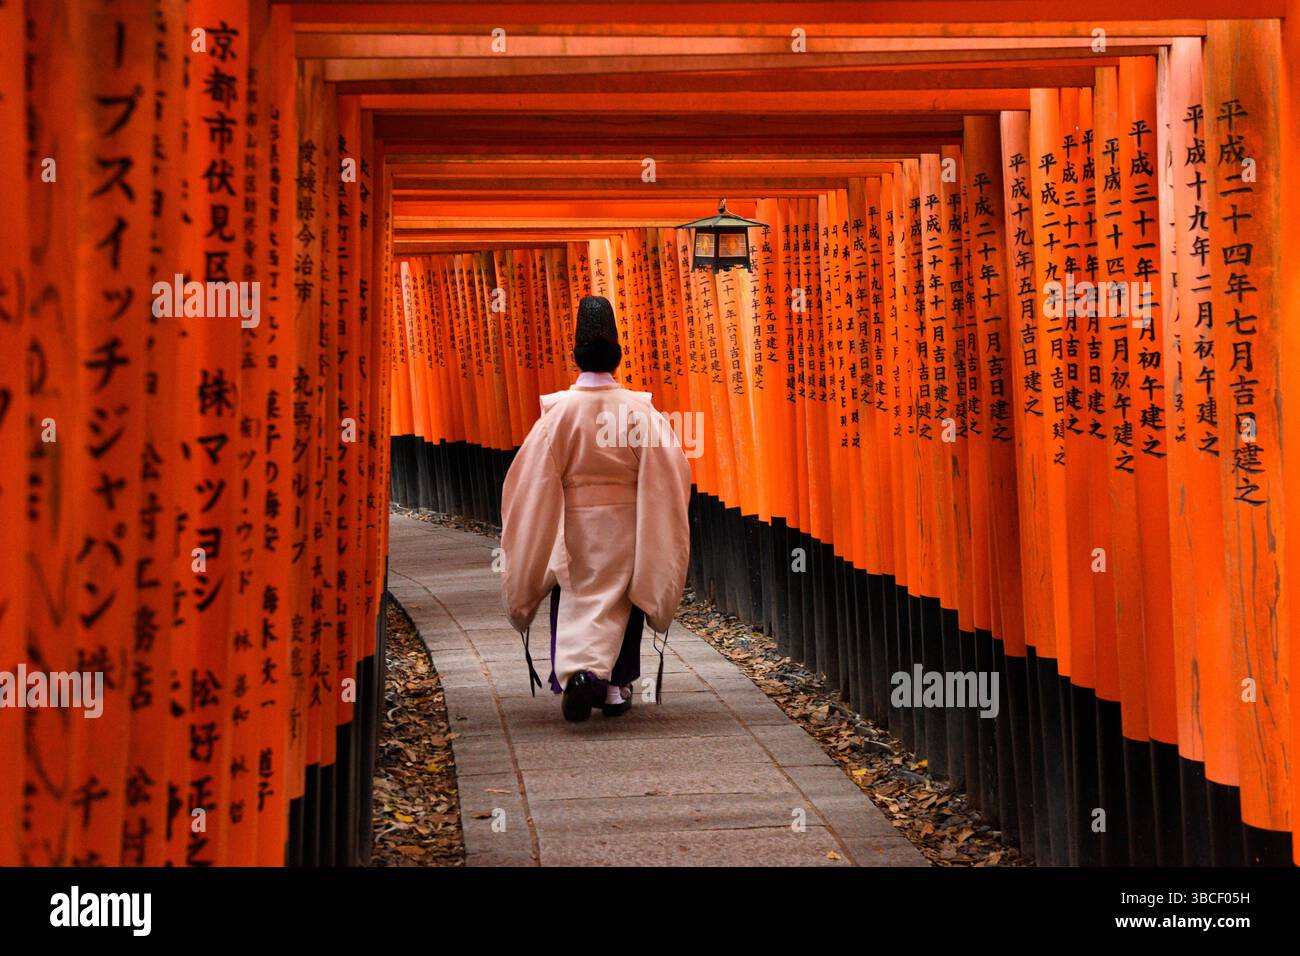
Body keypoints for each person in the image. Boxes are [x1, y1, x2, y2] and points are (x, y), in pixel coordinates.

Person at [499, 295, 691, 722]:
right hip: (629, 524)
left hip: (574, 526)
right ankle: (616, 688)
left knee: (573, 596)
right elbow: (672, 472)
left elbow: (527, 481)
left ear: (575, 356)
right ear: (618, 356)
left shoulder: (558, 415)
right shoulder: (640, 412)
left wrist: (535, 530)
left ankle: (578, 676)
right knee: (627, 599)